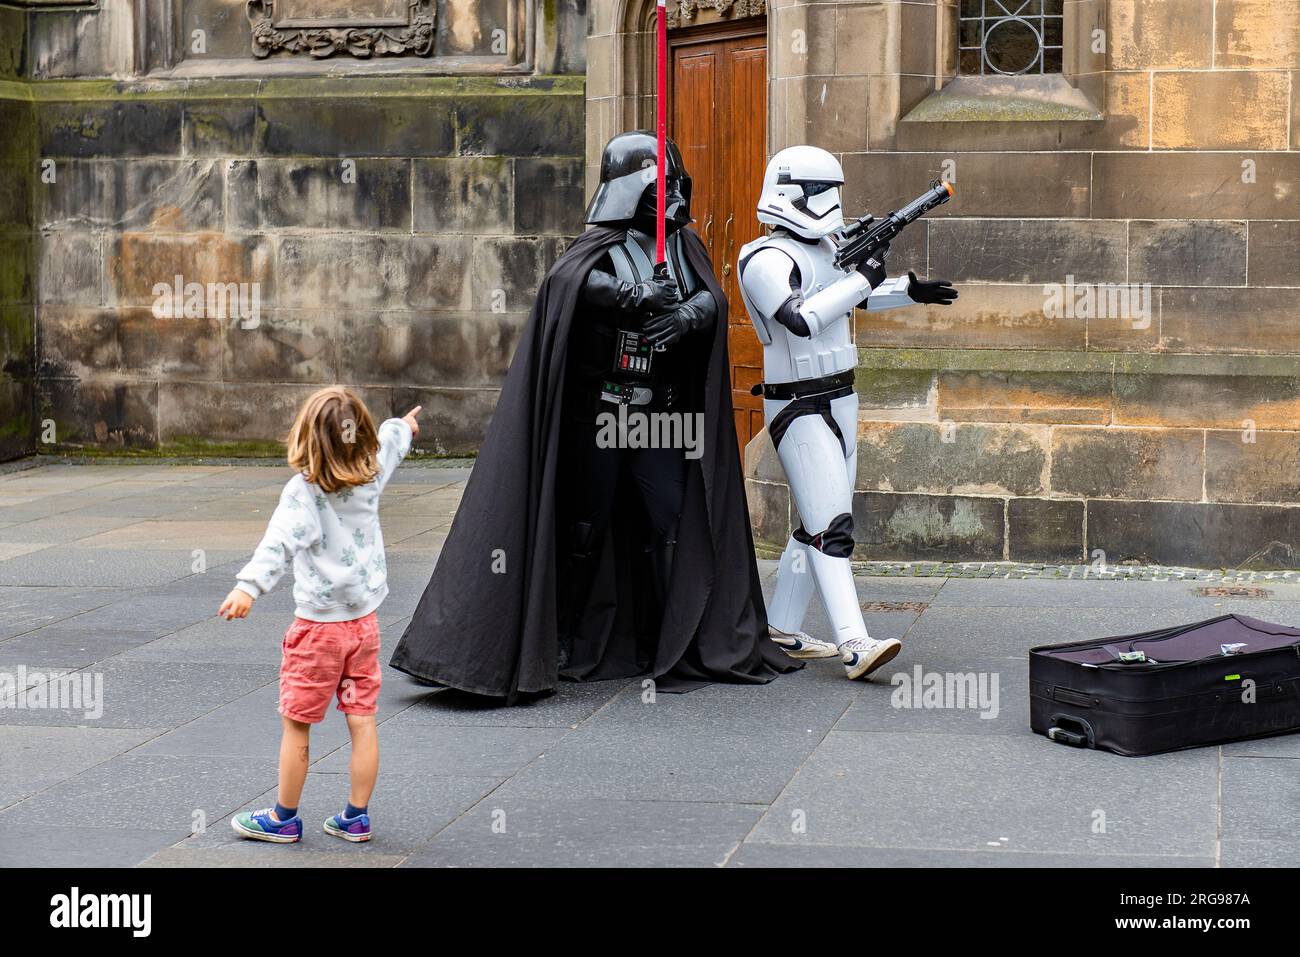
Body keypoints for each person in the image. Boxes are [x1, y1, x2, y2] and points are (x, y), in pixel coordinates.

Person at [389, 130, 799, 702]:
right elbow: (568, 289)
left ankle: (673, 638)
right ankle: (561, 637)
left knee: (672, 522)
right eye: (657, 188)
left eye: (673, 185)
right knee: (584, 528)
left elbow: (713, 299)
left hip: (661, 419)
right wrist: (629, 295)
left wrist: (686, 316)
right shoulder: (595, 253)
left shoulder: (685, 247)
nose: (669, 197)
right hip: (604, 413)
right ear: (631, 191)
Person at [737, 145, 958, 680]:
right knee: (831, 525)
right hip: (798, 402)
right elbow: (801, 319)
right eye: (820, 193)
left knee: (817, 518)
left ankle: (782, 627)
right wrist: (862, 278)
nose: (831, 204)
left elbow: (852, 297)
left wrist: (905, 290)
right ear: (791, 193)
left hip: (842, 396)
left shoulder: (825, 247)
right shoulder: (764, 258)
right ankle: (854, 643)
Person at [217, 386, 419, 843]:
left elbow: (278, 543)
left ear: (308, 437)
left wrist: (248, 587)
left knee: (298, 725)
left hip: (318, 631)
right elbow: (390, 446)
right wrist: (403, 427)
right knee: (362, 720)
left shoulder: (304, 491)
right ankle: (356, 817)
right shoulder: (370, 475)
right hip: (364, 627)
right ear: (359, 434)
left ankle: (284, 817)